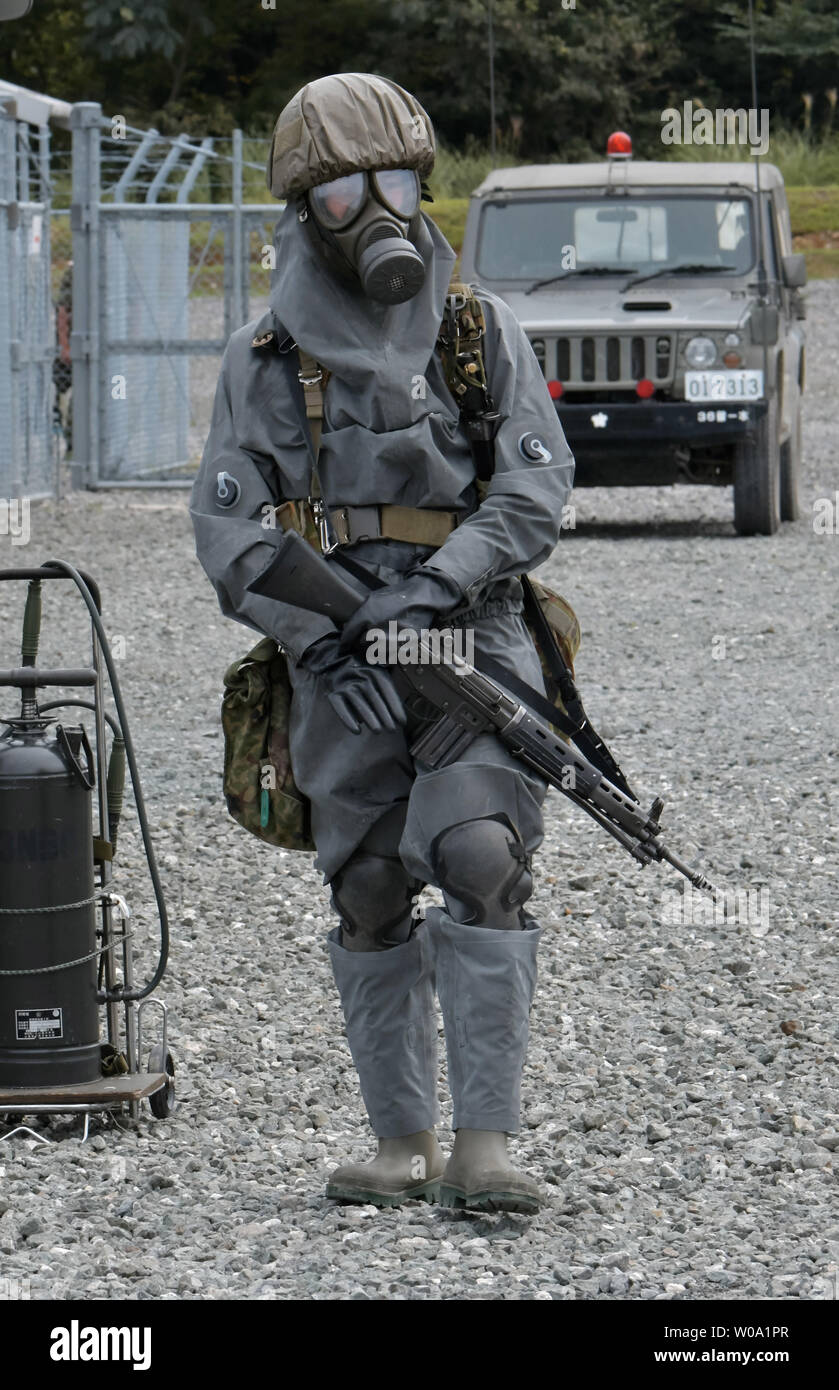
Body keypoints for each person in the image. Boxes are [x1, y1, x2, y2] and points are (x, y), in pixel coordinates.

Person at [190, 72, 575, 1214]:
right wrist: (317, 643)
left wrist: (438, 586)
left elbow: (533, 490)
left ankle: (487, 1143)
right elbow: (227, 524)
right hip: (342, 663)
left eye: (399, 181)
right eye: (348, 192)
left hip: (469, 640)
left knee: (477, 860)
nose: (382, 210)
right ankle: (400, 1141)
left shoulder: (476, 330)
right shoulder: (261, 358)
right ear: (307, 207)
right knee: (364, 884)